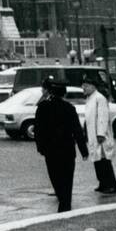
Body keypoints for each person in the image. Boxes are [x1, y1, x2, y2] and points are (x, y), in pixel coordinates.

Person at [33, 78, 88, 212]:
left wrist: (41, 148)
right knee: (68, 178)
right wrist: (83, 150)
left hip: (50, 149)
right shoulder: (69, 108)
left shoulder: (43, 107)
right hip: (67, 148)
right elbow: (77, 130)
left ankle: (61, 197)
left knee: (55, 176)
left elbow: (38, 131)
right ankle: (65, 203)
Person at [82, 77, 116, 194]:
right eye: (83, 86)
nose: (84, 88)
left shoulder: (99, 98)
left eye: (86, 86)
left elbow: (103, 117)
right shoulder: (90, 98)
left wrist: (101, 133)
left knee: (104, 161)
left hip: (100, 136)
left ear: (93, 86)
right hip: (93, 135)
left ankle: (111, 185)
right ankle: (102, 183)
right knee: (97, 161)